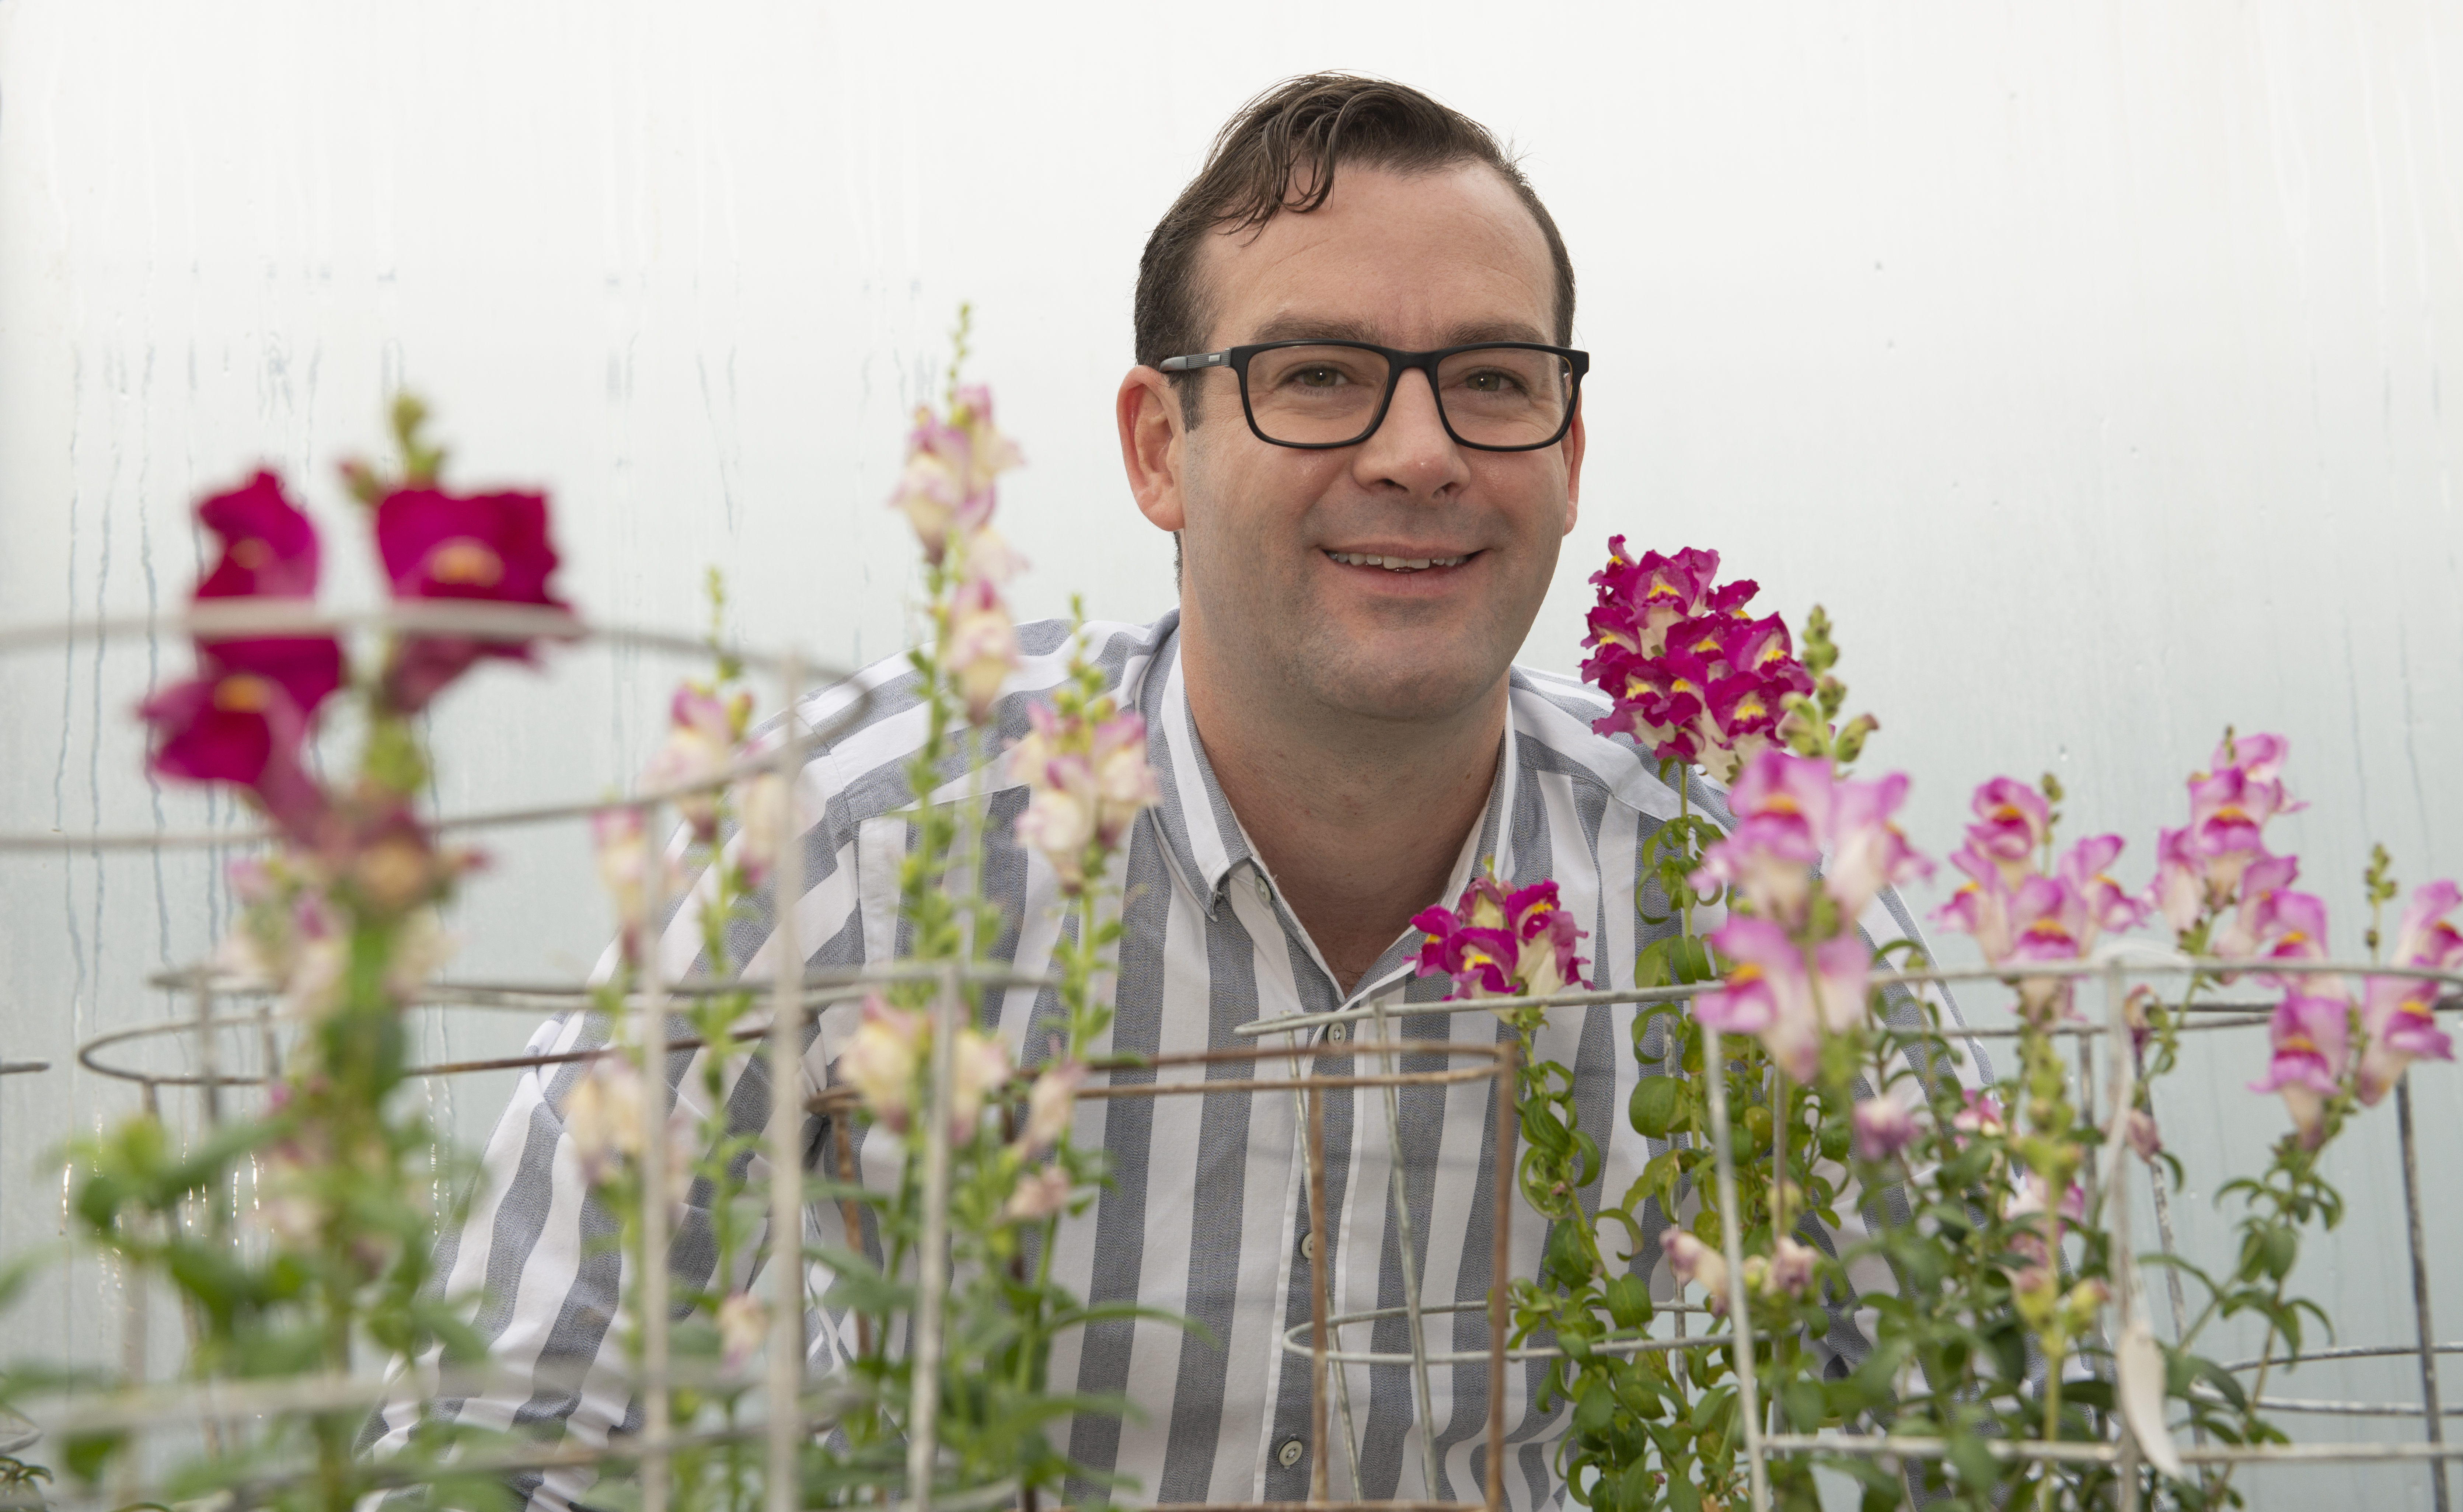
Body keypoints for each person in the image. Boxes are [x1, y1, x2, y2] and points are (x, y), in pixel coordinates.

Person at [370, 74, 1962, 1510]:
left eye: (1490, 380)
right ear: (1155, 449)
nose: (1419, 452)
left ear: (1568, 449)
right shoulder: (865, 836)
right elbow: (508, 1440)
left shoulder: (1744, 896)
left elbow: (1980, 1423)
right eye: (1319, 375)